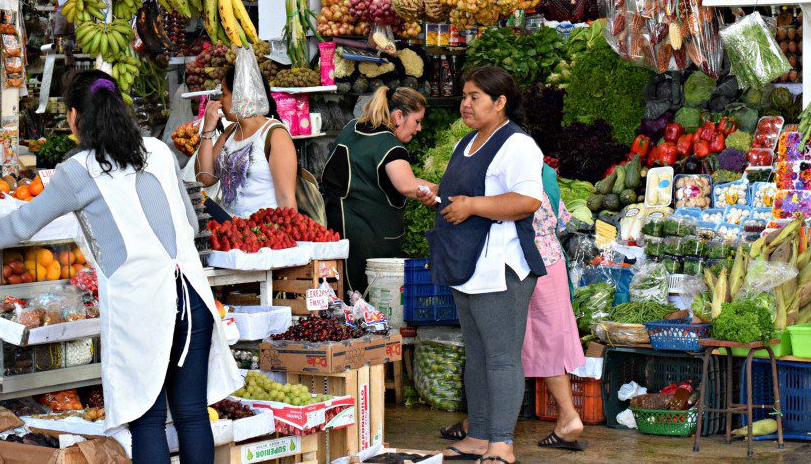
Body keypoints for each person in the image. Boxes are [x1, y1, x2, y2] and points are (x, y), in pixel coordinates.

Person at [0, 70, 241, 463]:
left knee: (147, 420)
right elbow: (191, 225)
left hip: (144, 306)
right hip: (192, 298)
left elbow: (23, 224)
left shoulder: (78, 171)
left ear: (75, 117)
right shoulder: (157, 152)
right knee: (192, 415)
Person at [427, 66, 547, 464]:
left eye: (475, 97)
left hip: (502, 266)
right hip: (467, 264)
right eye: (464, 96)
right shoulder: (468, 142)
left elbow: (529, 200)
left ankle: (502, 443)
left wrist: (474, 206)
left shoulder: (517, 145)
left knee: (501, 356)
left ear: (500, 103)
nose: (465, 104)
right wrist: (437, 197)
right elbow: (458, 194)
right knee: (475, 354)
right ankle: (478, 436)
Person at [439, 165, 588, 453]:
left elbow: (493, 217)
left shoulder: (507, 179)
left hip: (522, 263)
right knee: (550, 342)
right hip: (552, 263)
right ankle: (568, 416)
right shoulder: (547, 176)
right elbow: (560, 222)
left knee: (500, 348)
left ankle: (481, 427)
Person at [322, 86, 437, 295]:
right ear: (399, 116)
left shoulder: (352, 128)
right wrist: (448, 189)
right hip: (368, 237)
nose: (418, 128)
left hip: (335, 227)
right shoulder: (390, 146)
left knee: (344, 296)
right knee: (366, 299)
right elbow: (408, 186)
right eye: (417, 121)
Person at [194, 65, 298, 220]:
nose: (221, 101)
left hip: (262, 231)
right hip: (228, 229)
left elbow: (286, 199)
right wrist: (207, 130)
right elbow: (204, 178)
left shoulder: (275, 134)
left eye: (224, 93)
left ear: (240, 95)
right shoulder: (230, 132)